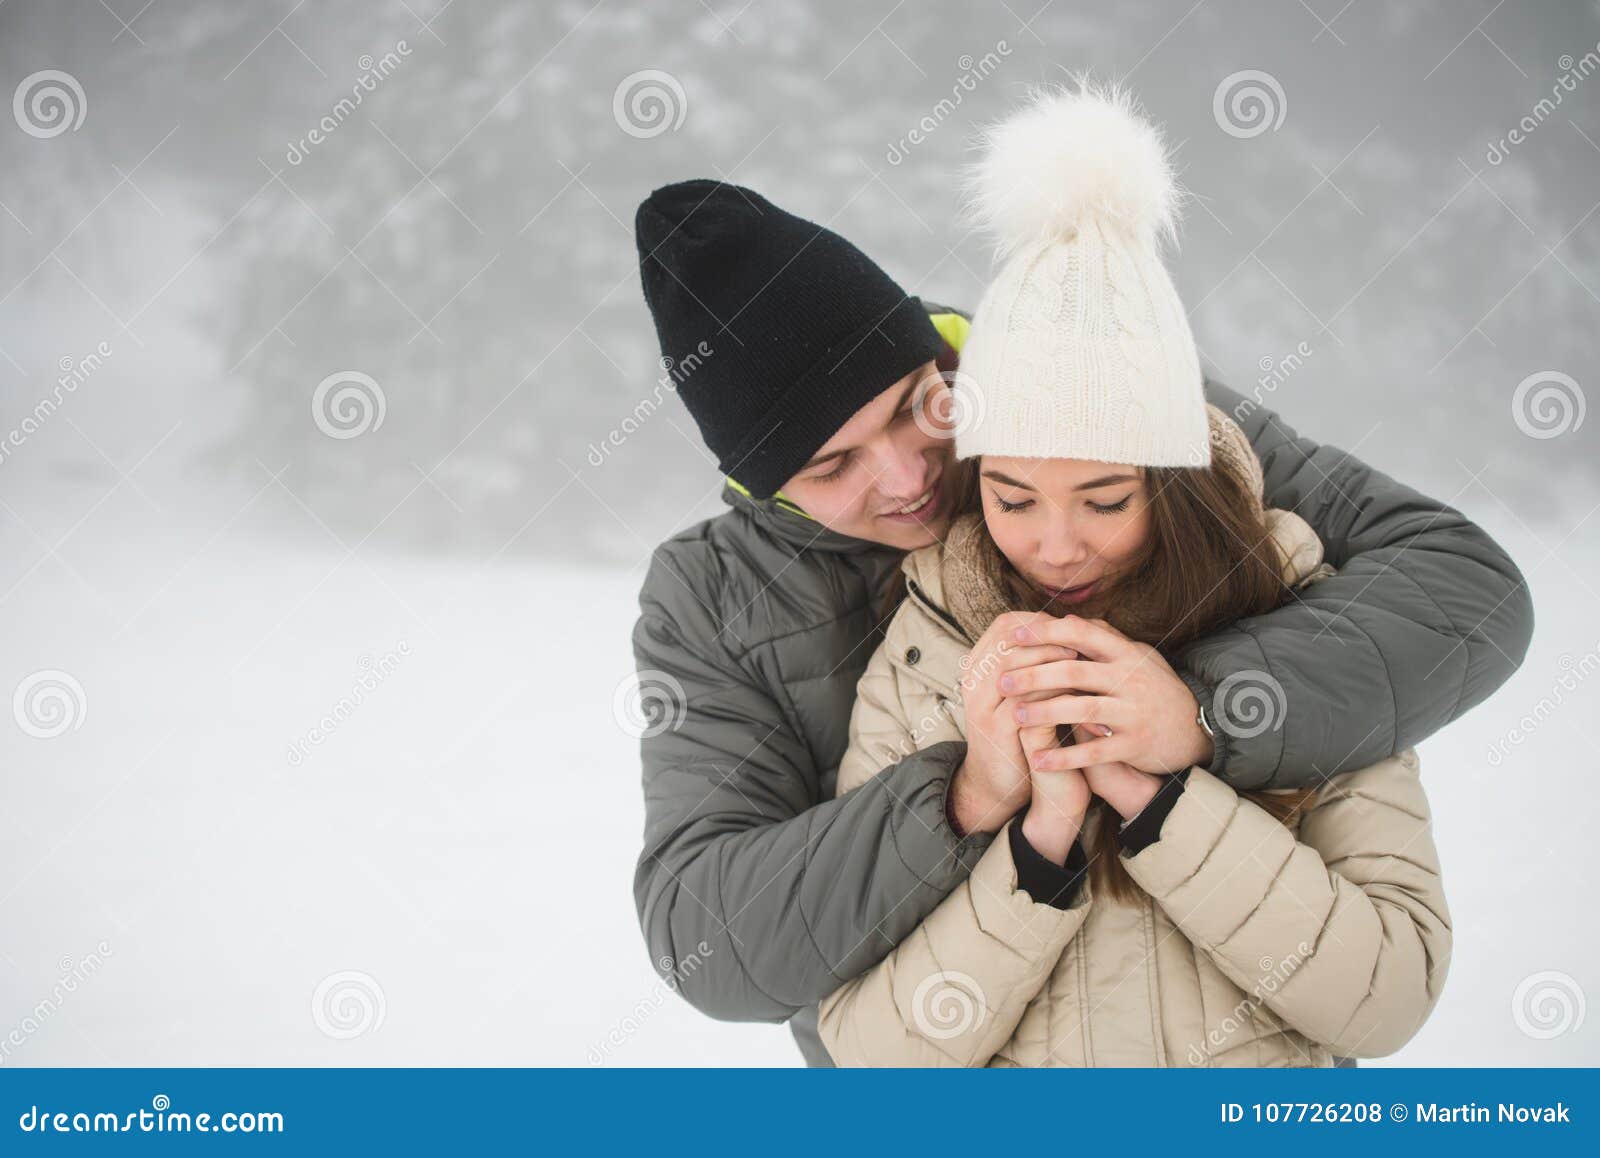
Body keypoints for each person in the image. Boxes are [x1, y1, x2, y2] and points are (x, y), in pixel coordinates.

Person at [630, 165, 1529, 1065]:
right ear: (763, 484)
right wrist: (965, 797)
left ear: (938, 358)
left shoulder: (1103, 389)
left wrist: (1201, 710)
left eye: (916, 407)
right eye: (831, 467)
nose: (909, 478)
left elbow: (1462, 588)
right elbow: (705, 938)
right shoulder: (712, 594)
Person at [818, 85, 1449, 1066]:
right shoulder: (925, 646)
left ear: (1173, 486)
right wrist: (1030, 833)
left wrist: (1162, 796)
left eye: (1105, 500)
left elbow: (1390, 997)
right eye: (1013, 498)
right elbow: (865, 1052)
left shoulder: (1299, 620)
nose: (1055, 546)